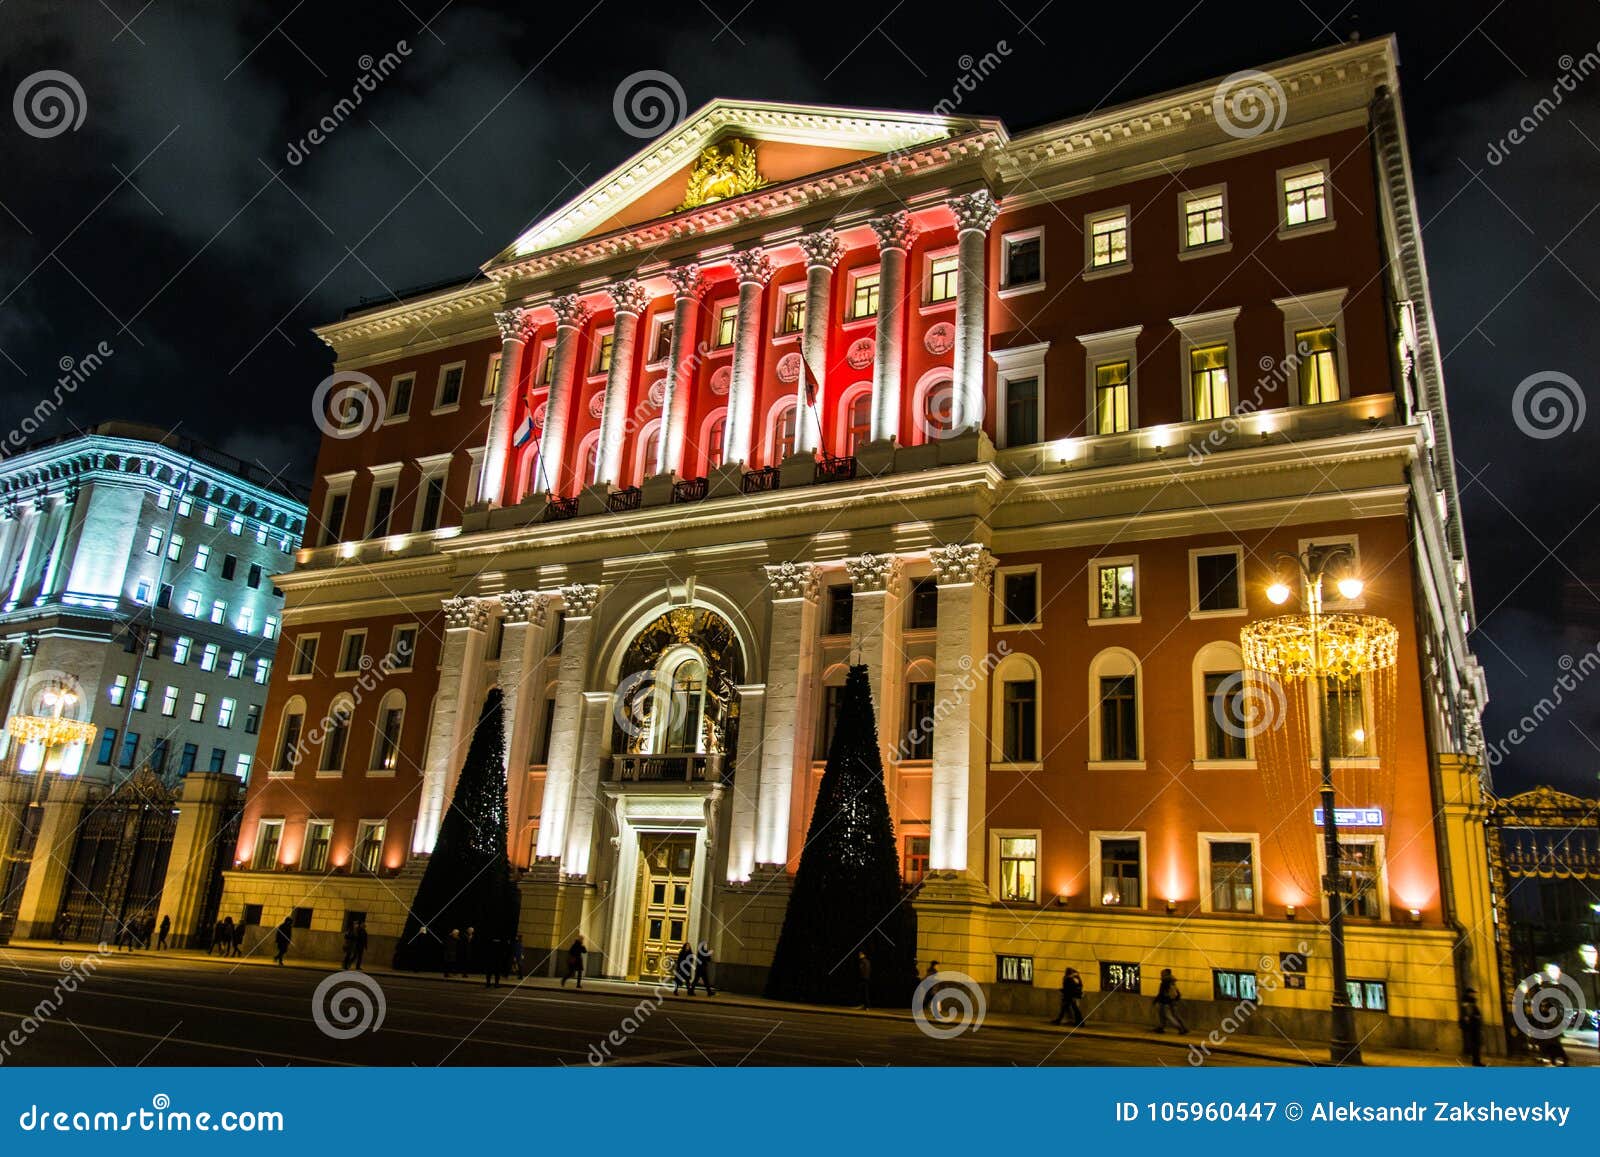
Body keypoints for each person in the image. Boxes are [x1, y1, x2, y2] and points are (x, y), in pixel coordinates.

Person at [1152, 968, 1186, 1034]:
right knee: (1162, 1015)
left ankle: (1179, 1027)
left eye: (1162, 973)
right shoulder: (1172, 981)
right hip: (1170, 1000)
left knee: (1168, 1016)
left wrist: (1155, 1000)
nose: (1161, 974)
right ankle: (1161, 1027)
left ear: (1166, 973)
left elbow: (1161, 993)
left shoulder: (1164, 982)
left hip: (1164, 1001)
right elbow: (1177, 992)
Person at [1458, 987, 1485, 1066]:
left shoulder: (1469, 1002)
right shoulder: (1467, 1002)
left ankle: (1476, 1060)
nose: (1474, 994)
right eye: (1472, 993)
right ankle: (1476, 1061)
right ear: (1469, 993)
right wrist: (1476, 1017)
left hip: (1473, 1026)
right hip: (1473, 1027)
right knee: (1475, 1044)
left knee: (1475, 1044)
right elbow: (1469, 1015)